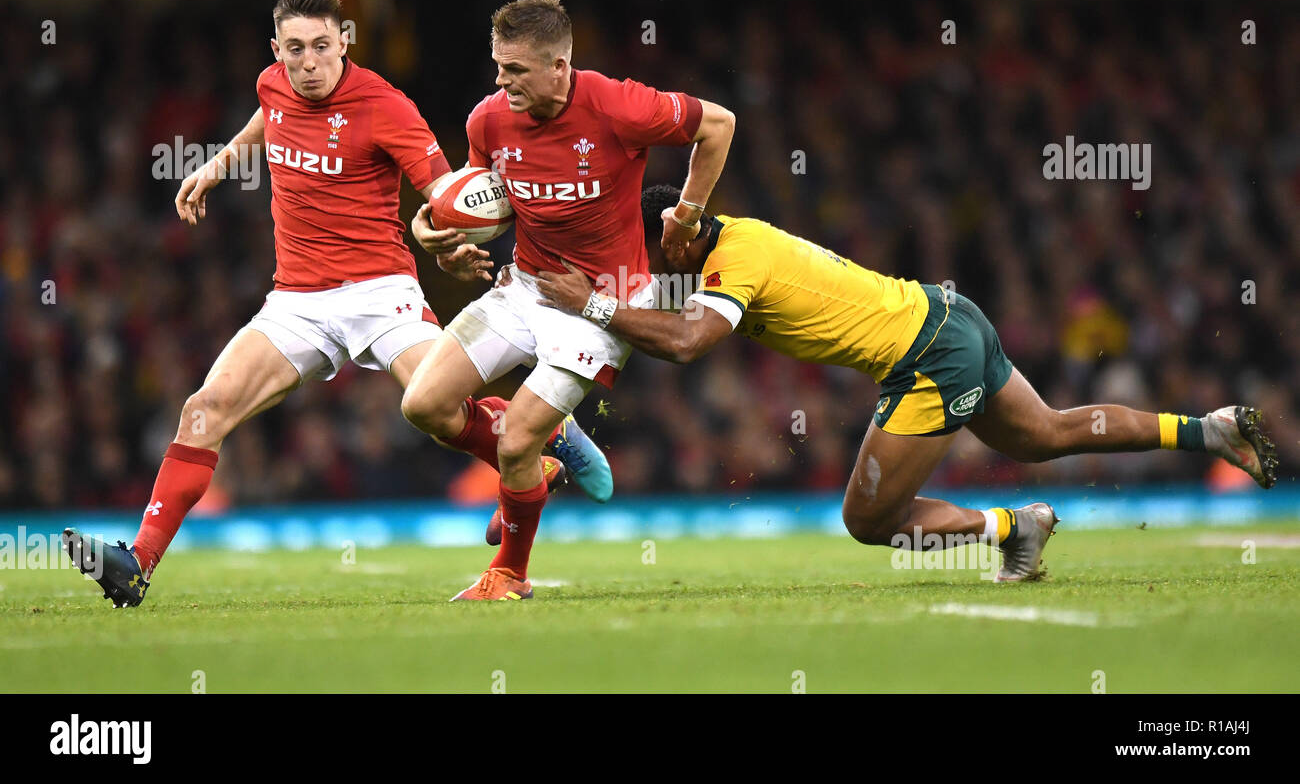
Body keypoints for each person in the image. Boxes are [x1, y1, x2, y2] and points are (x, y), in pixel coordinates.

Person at [61, 0, 601, 607]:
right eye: (295, 49)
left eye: (322, 46)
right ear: (277, 51)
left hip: (382, 294)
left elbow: (449, 194)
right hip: (296, 302)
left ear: (345, 41)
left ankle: (537, 443)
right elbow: (269, 116)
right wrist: (219, 163)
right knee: (202, 410)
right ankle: (137, 565)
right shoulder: (273, 84)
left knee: (435, 407)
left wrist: (445, 242)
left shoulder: (386, 106)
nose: (309, 62)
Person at [533, 185, 1279, 582]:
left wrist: (592, 304)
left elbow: (688, 341)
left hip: (928, 353)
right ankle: (1209, 428)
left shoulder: (736, 259)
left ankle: (1016, 526)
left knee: (867, 519)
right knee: (1047, 431)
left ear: (679, 227)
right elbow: (663, 323)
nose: (649, 267)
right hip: (948, 315)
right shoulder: (730, 248)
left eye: (649, 247)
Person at [402, 0, 736, 600]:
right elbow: (486, 207)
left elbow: (719, 124)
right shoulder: (488, 120)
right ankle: (549, 453)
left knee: (515, 441)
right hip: (524, 287)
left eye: (515, 70)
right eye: (498, 66)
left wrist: (686, 217)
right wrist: (442, 241)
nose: (501, 83)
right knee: (422, 404)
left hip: (598, 304)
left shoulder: (617, 104)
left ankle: (509, 573)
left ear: (559, 66)